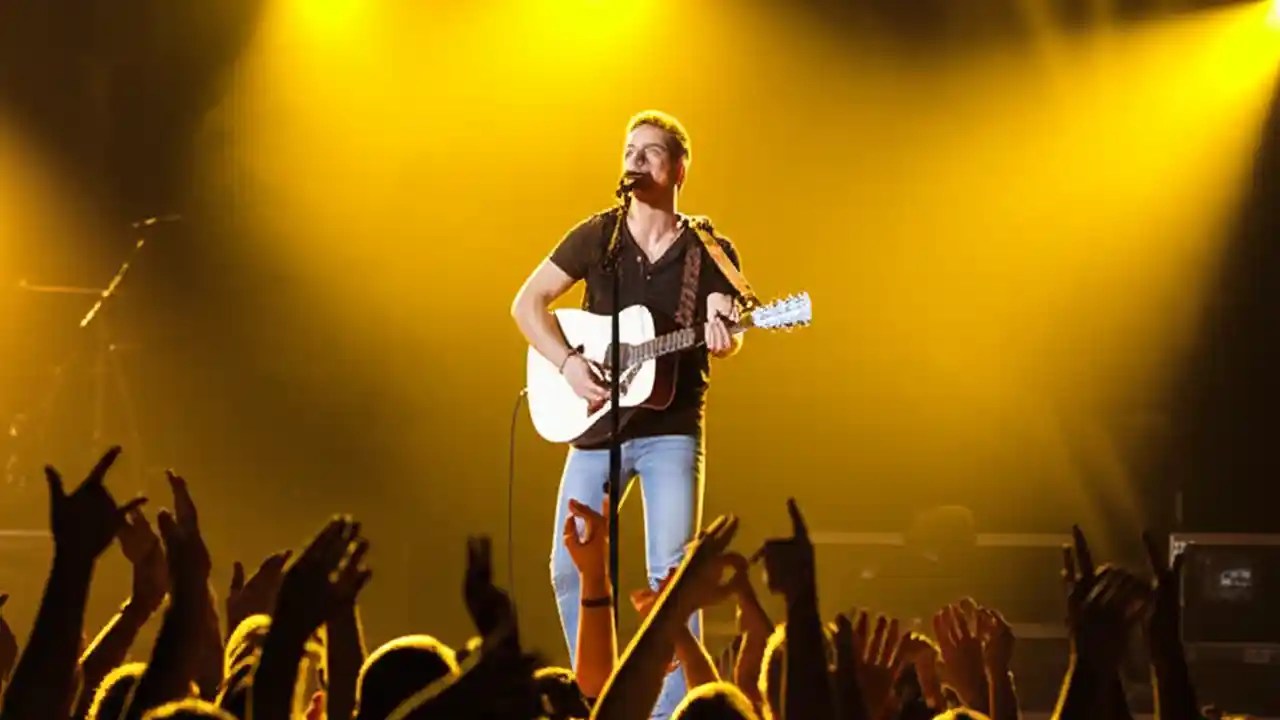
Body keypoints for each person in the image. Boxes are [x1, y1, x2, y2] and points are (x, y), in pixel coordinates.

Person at [511, 110, 747, 717]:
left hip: (670, 430)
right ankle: (601, 698)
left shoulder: (706, 247)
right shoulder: (600, 237)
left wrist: (727, 328)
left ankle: (670, 714)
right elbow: (526, 303)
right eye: (629, 150)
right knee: (569, 568)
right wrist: (566, 363)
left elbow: (729, 313)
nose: (636, 161)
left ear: (679, 168)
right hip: (596, 429)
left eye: (650, 152)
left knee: (670, 581)